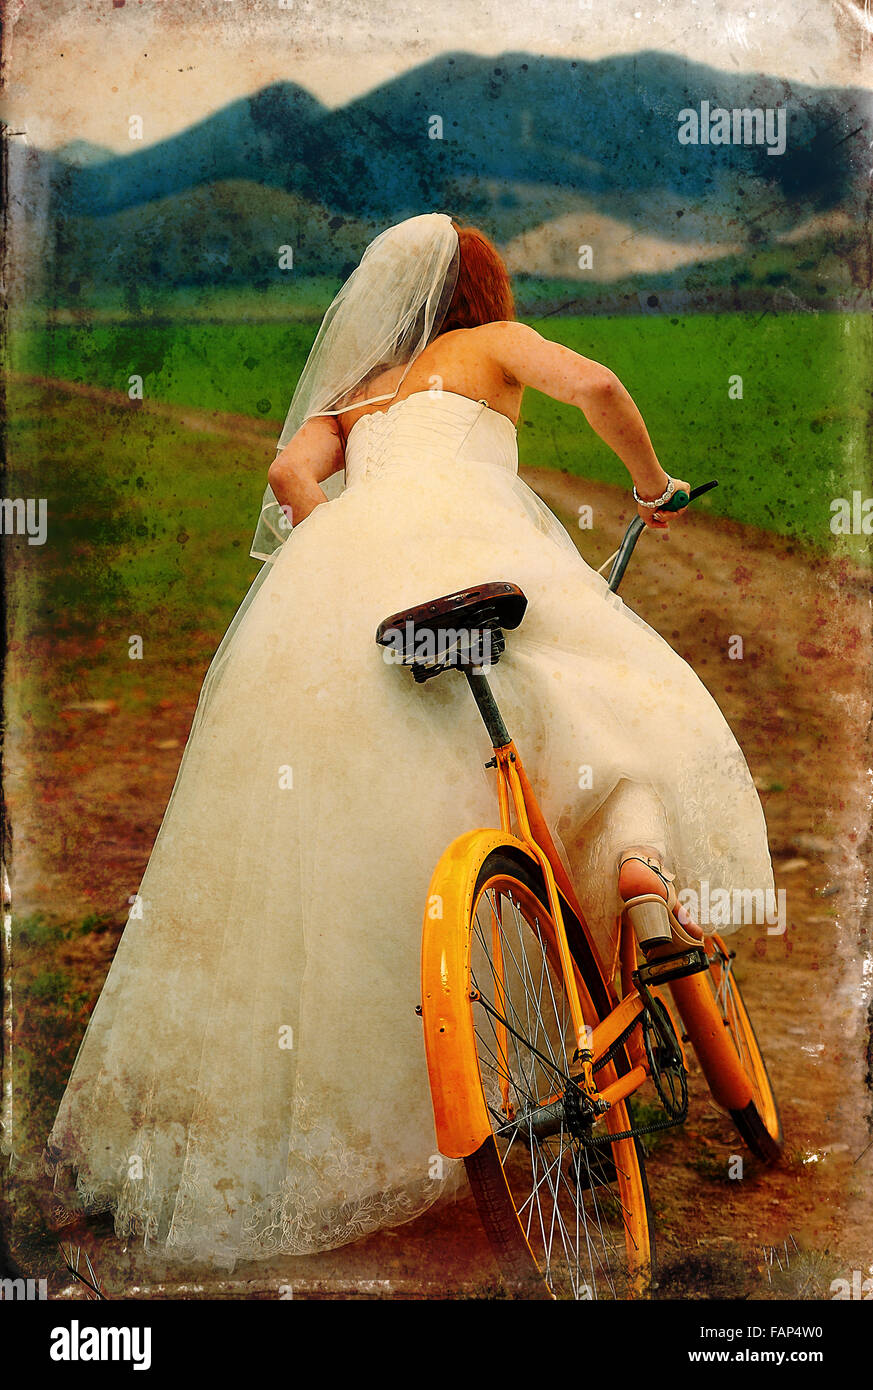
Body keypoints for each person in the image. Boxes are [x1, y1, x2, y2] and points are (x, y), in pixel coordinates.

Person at [45, 213, 774, 1270]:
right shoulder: (493, 346)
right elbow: (601, 386)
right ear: (484, 293)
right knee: (612, 697)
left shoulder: (365, 389)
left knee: (392, 792)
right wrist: (651, 486)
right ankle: (635, 869)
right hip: (482, 560)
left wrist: (347, 544)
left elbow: (287, 476)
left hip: (369, 598)